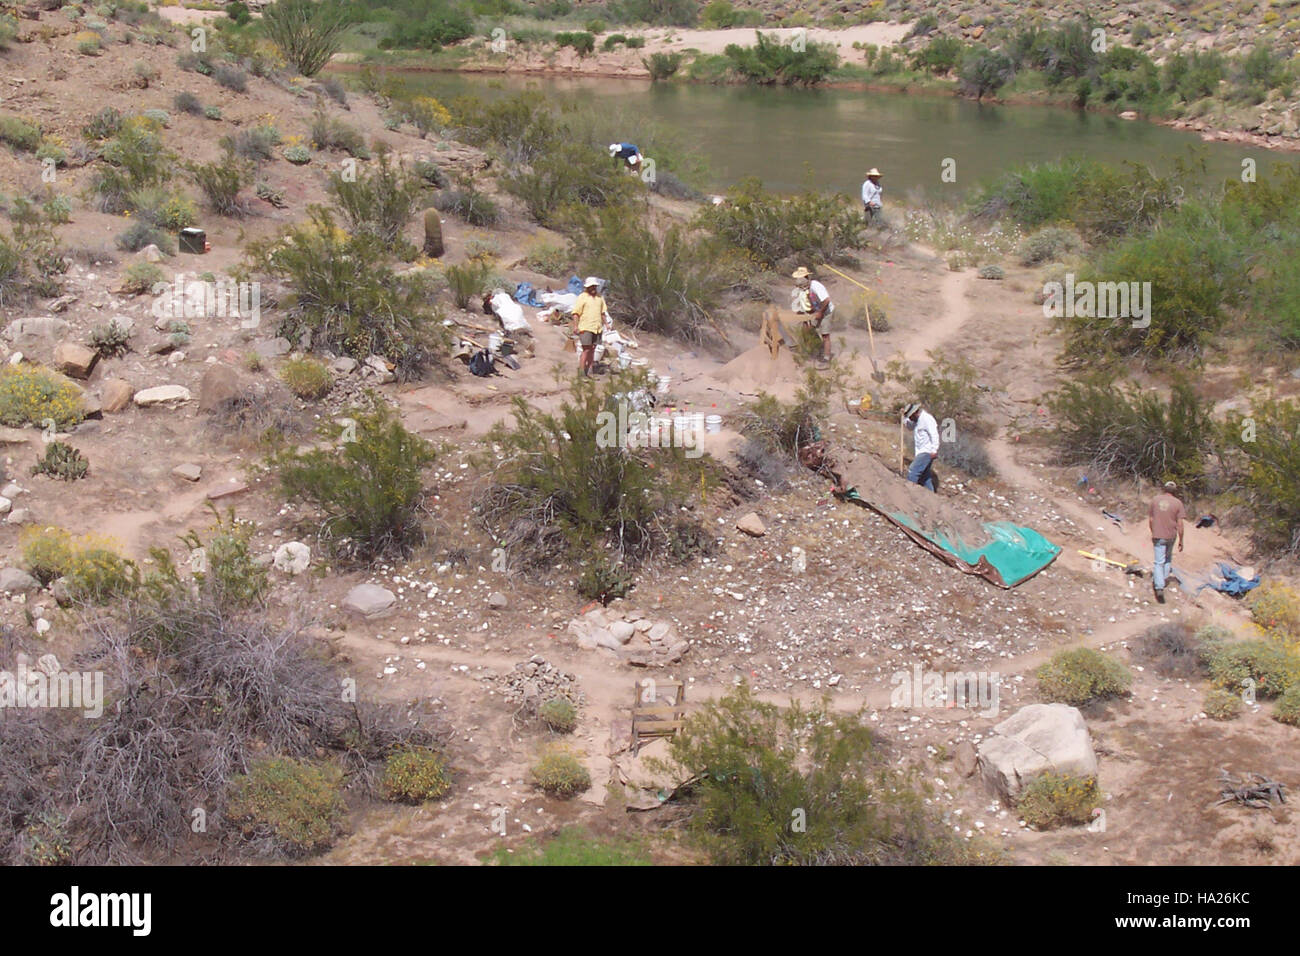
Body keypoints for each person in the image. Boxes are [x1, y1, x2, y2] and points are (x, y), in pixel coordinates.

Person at [1148, 480, 1186, 604]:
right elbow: (1180, 524)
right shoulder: (1178, 503)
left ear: (1164, 489)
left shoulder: (1155, 500)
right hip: (1171, 536)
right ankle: (1162, 580)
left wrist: (1153, 531)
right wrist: (1181, 540)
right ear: (1174, 491)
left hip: (1158, 535)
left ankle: (1159, 586)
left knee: (1159, 561)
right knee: (1167, 559)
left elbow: (1151, 519)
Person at [791, 266, 833, 364]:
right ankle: (816, 350)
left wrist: (820, 312)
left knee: (825, 334)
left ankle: (826, 358)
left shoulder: (816, 286)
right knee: (807, 330)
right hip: (816, 310)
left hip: (826, 310)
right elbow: (805, 301)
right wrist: (803, 312)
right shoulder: (803, 288)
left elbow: (826, 300)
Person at [570, 277, 607, 377]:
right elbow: (576, 313)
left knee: (593, 349)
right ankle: (582, 373)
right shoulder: (582, 297)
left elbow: (603, 312)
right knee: (586, 350)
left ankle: (589, 371)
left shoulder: (600, 298)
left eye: (594, 286)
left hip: (597, 327)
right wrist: (575, 326)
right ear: (587, 287)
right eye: (591, 286)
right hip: (586, 327)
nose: (593, 288)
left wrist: (606, 324)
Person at [902, 402, 939, 493]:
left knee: (913, 471)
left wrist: (934, 450)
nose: (910, 418)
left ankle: (909, 493)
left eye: (910, 416)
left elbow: (934, 434)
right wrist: (903, 417)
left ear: (915, 413)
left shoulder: (927, 419)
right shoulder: (916, 420)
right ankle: (932, 497)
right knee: (924, 477)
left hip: (927, 451)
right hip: (920, 451)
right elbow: (910, 426)